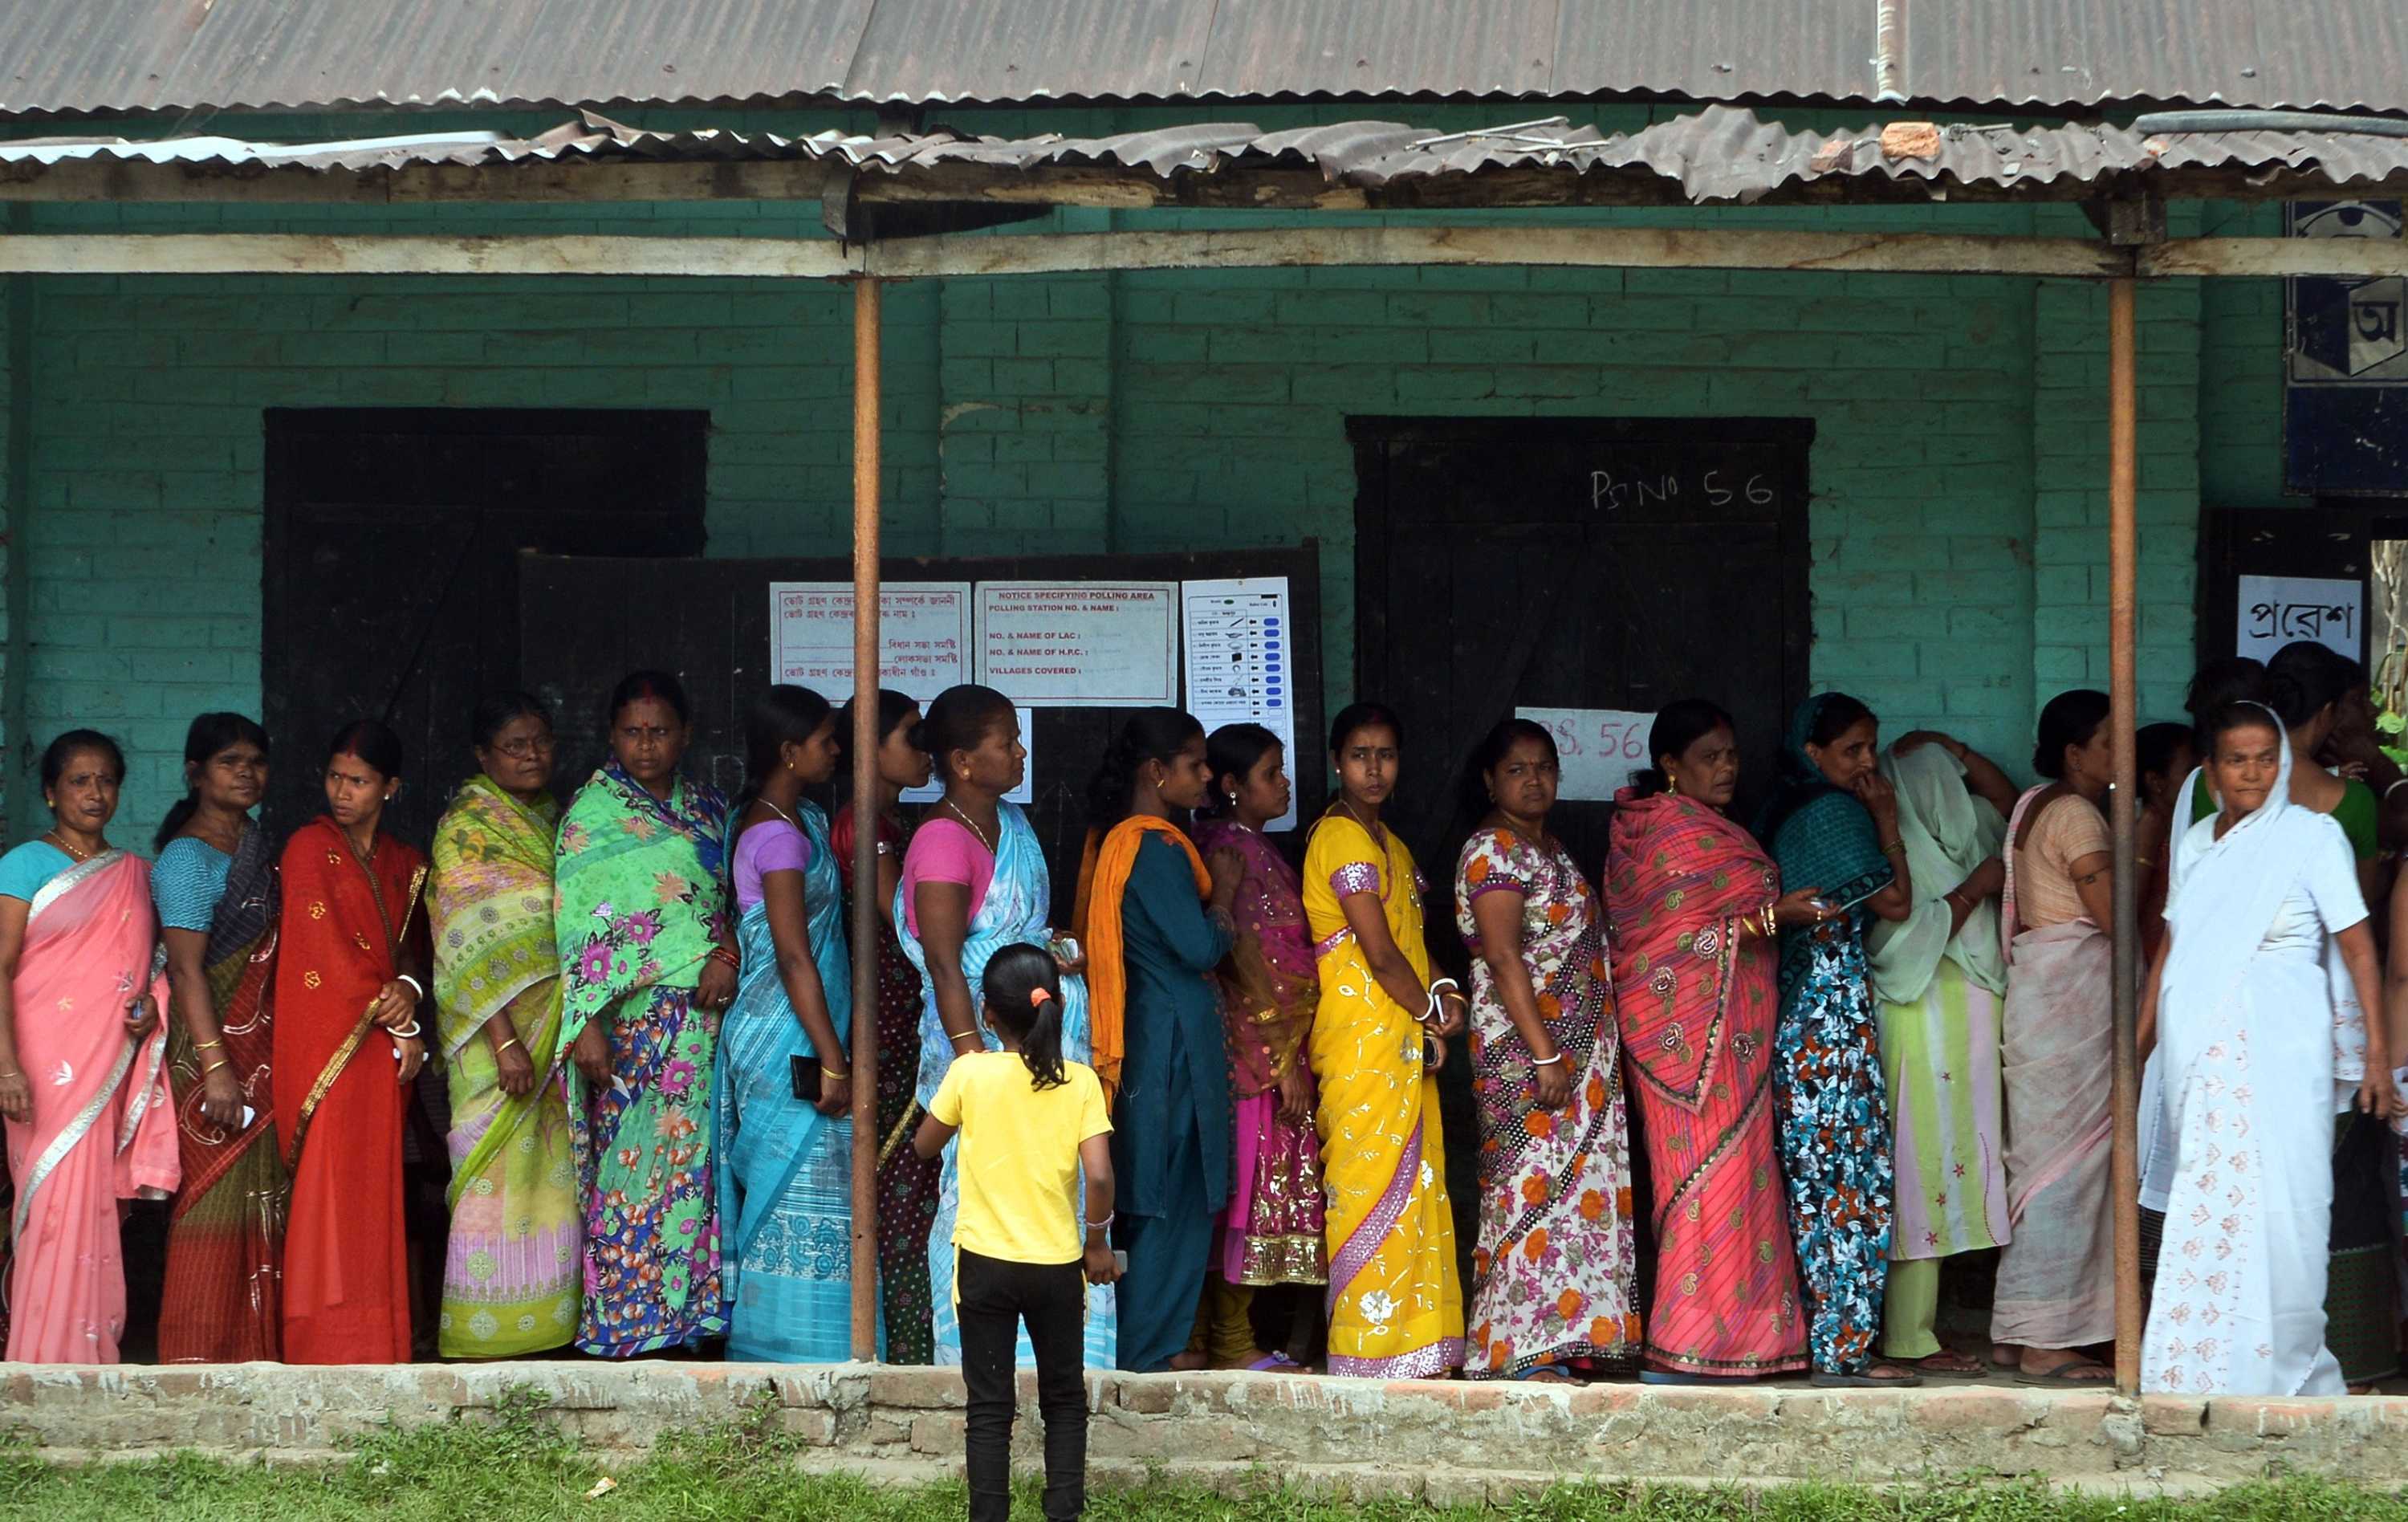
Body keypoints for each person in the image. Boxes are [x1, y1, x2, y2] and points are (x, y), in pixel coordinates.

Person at [2141, 701, 2399, 1396]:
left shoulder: (2313, 839)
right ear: (2212, 770)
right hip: (2203, 1042)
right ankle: (2199, 1363)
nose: (2252, 773)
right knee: (2209, 1196)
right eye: (2237, 760)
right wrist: (2136, 1049)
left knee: (2288, 1201)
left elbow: (2356, 947)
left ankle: (2279, 1361)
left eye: (2265, 759)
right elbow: (2171, 949)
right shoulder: (2196, 843)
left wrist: (2377, 1055)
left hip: (2286, 1040)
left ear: (2282, 764)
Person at [895, 684, 1113, 1369]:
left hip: (1041, 1045)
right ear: (962, 760)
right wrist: (976, 1061)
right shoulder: (941, 841)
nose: (1020, 752)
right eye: (1006, 742)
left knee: (1054, 1181)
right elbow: (943, 961)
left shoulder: (1009, 824)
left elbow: (1024, 933)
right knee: (980, 1186)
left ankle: (1072, 1357)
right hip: (987, 1048)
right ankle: (978, 1358)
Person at [1605, 700, 1813, 1382]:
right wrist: (1766, 919)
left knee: (1744, 1179)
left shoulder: (1711, 827)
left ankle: (1748, 1341)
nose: (1726, 769)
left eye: (1731, 755)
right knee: (1699, 1184)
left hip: (1739, 1043)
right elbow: (1657, 946)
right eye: (1709, 758)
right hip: (1683, 1044)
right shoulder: (1662, 835)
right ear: (1670, 766)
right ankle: (1683, 1342)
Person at [555, 669, 738, 1357]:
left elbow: (732, 903)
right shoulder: (590, 817)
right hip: (628, 1024)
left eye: (660, 732)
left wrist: (727, 953)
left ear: (685, 735)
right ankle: (625, 1324)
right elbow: (575, 929)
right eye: (632, 732)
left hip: (703, 1020)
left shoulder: (713, 808)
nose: (646, 745)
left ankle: (686, 1322)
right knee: (630, 1170)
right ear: (611, 736)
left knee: (694, 1171)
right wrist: (587, 1024)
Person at [1454, 718, 1638, 1382]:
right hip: (1529, 1055)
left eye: (1544, 766)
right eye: (1516, 769)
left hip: (1580, 1056)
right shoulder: (1492, 852)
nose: (1534, 780)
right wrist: (1544, 1055)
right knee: (1528, 1191)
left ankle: (1569, 1335)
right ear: (1489, 780)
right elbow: (1504, 960)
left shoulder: (1553, 850)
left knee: (1574, 1196)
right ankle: (1514, 1347)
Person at [913, 945, 1118, 1522]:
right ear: (1053, 1004)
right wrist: (1096, 1242)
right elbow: (1099, 1174)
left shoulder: (969, 1072)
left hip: (983, 1263)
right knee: (1063, 1399)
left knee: (989, 1407)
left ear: (988, 1011)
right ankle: (1062, 1514)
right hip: (1056, 1266)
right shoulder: (1079, 1083)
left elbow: (926, 1144)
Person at [1755, 692, 1918, 1388]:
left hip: (1809, 1016)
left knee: (1827, 1181)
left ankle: (1832, 1342)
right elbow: (1896, 902)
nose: (1866, 763)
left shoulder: (1782, 812)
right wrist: (1886, 817)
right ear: (1813, 753)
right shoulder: (1832, 813)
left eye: (1871, 748)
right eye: (1851, 749)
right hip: (1827, 1020)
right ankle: (1843, 1349)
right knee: (1846, 1180)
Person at [0, 731, 176, 1361]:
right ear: (51, 793)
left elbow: (153, 974)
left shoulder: (135, 876)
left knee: (92, 1207)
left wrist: (147, 1009)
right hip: (39, 1067)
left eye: (105, 780)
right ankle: (37, 1360)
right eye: (79, 781)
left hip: (105, 1065)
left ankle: (87, 1352)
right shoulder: (22, 865)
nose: (95, 793)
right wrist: (6, 1065)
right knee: (47, 1203)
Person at [1304, 702, 1466, 1378]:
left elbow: (1414, 947)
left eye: (1386, 755)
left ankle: (1418, 1346)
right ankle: (1367, 1351)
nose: (1374, 769)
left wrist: (1448, 991)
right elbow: (1378, 954)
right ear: (1337, 763)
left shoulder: (1391, 845)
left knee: (1418, 1186)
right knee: (1368, 1187)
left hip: (1397, 1039)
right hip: (1361, 1044)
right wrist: (1431, 1008)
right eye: (1360, 755)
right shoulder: (1339, 839)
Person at [1072, 708, 1236, 1374]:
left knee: (1151, 1192)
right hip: (1173, 1041)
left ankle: (1139, 1343)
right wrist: (1224, 897)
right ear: (1156, 772)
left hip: (1146, 1031)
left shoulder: (1116, 841)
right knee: (1172, 1195)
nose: (1206, 778)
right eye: (1195, 765)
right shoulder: (1158, 847)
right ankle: (1150, 1349)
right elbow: (1198, 946)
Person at [271, 719, 430, 1365]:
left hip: (383, 1047)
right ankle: (323, 1342)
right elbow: (324, 953)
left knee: (374, 1192)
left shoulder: (407, 864)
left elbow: (417, 955)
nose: (344, 792)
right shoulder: (308, 848)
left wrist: (412, 996)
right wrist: (396, 1014)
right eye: (336, 777)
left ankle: (374, 1340)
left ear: (390, 787)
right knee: (330, 1186)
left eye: (360, 781)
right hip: (329, 1045)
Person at [429, 691, 579, 1358]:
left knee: (553, 1174)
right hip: (499, 1044)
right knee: (491, 1174)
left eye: (540, 741)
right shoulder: (468, 829)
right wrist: (508, 1040)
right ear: (484, 757)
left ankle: (545, 1323)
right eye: (515, 746)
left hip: (553, 1029)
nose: (532, 755)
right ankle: (482, 1329)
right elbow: (463, 949)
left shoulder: (549, 818)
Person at [2264, 641, 2396, 1387]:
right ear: (2324, 712)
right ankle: (2349, 1349)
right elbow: (2364, 921)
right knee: (2332, 1188)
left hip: (2232, 1020)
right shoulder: (2347, 806)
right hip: (2325, 1014)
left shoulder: (2204, 786)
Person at [1864, 730, 2015, 1380]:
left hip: (1967, 1026)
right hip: (1918, 1020)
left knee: (1960, 1170)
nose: (1954, 798)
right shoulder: (1893, 848)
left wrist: (1960, 748)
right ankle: (1908, 1336)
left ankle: (1925, 1327)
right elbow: (1898, 942)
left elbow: (2016, 804)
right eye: (1943, 788)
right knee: (1919, 1173)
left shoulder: (1982, 835)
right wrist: (1973, 890)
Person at [718, 683, 855, 1362]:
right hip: (788, 1038)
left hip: (796, 1028)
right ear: (788, 751)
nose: (836, 751)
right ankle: (786, 1353)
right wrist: (832, 1055)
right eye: (827, 740)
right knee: (795, 1188)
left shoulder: (792, 818)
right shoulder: (775, 834)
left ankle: (819, 1343)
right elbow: (795, 954)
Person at [1988, 690, 2117, 1386]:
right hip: (2069, 1002)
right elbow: (2111, 916)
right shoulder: (2073, 812)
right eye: (2107, 744)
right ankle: (2046, 1342)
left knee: (2046, 1170)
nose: (2118, 755)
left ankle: (2023, 1328)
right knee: (2068, 1171)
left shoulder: (2035, 801)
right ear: (2075, 754)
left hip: (2045, 998)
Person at [1190, 723, 1325, 1368]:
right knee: (1241, 1198)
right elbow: (1246, 962)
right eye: (1271, 773)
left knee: (1250, 1194)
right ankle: (1231, 1342)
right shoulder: (1230, 852)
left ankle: (1219, 1338)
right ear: (1231, 786)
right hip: (1252, 1053)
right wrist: (1278, 1059)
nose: (1285, 783)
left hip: (1273, 1045)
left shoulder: (1255, 848)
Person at [151, 712, 284, 1365]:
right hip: (212, 1055)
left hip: (262, 1050)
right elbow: (184, 969)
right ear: (195, 773)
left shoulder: (257, 845)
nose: (246, 773)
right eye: (231, 761)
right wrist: (217, 1068)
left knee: (264, 1195)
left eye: (256, 761)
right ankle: (197, 1349)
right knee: (212, 1198)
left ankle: (255, 1349)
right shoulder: (187, 857)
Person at [832, 688, 939, 1363]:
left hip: (905, 1015)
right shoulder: (865, 826)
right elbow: (911, 927)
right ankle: (904, 1346)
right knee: (902, 1185)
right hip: (890, 1024)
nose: (924, 752)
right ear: (869, 748)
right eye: (912, 736)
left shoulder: (891, 824)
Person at [2135, 721, 2195, 968]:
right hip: (2156, 955)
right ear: (2155, 781)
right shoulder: (2150, 827)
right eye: (2190, 771)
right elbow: (2129, 908)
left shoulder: (2187, 826)